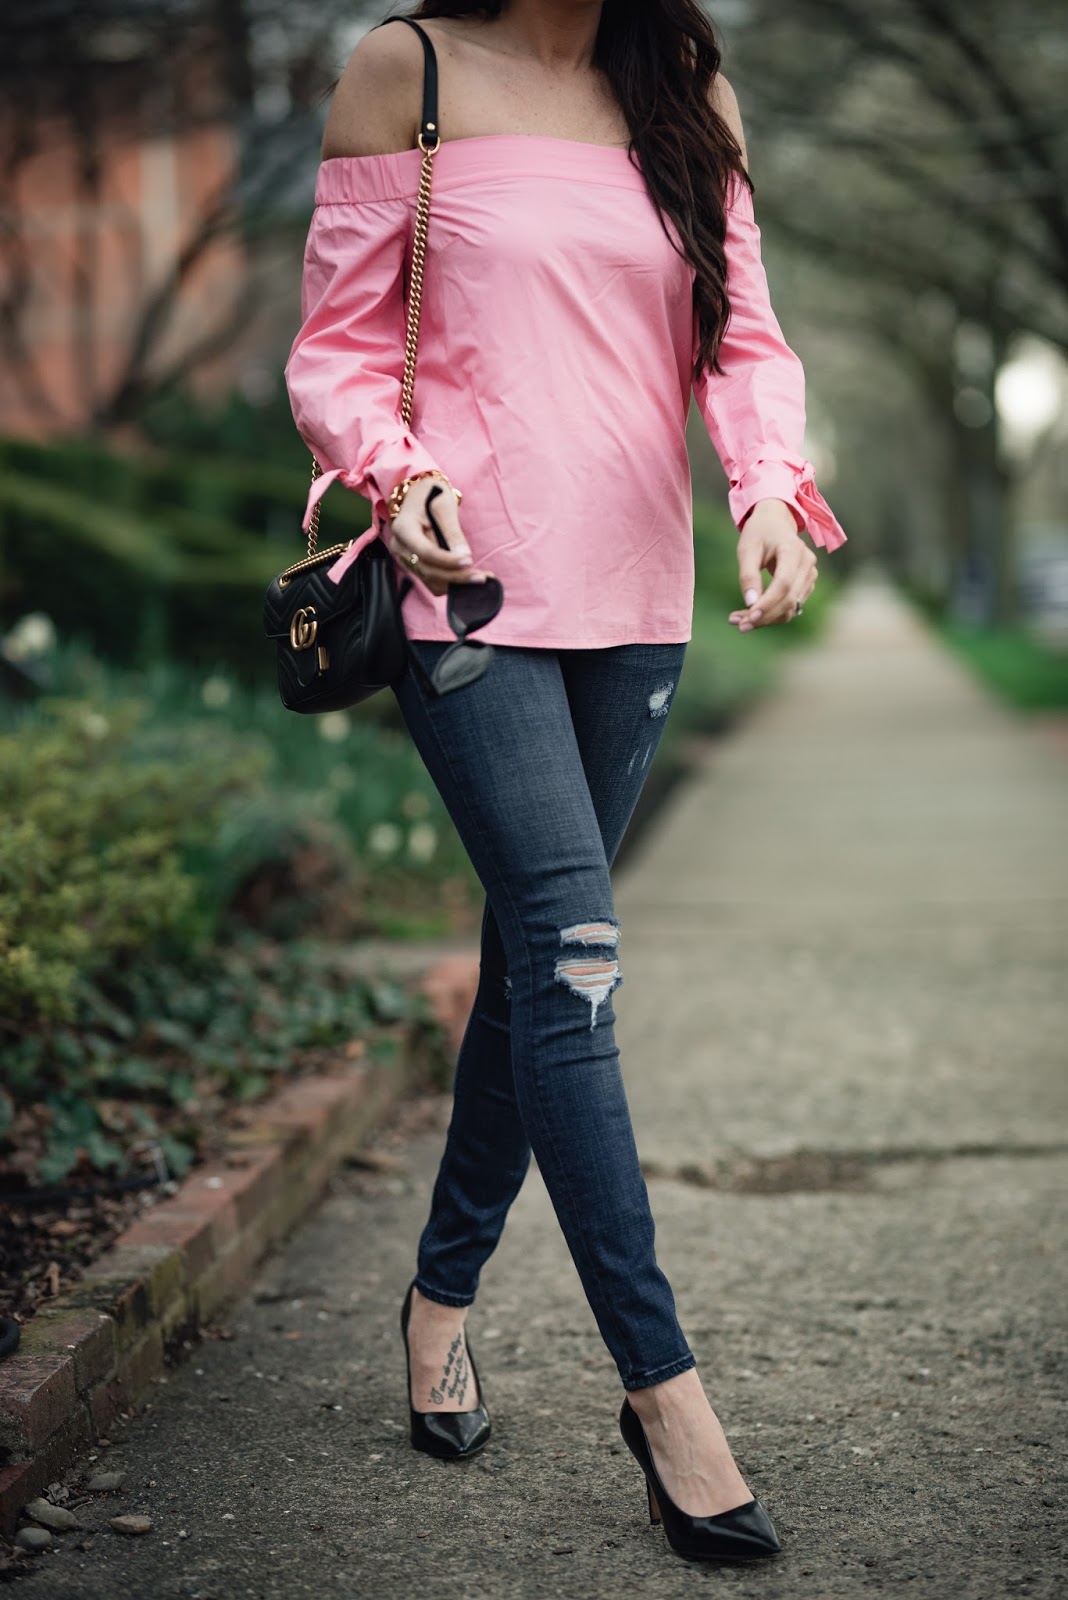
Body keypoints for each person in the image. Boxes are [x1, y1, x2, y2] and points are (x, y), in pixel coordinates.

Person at [284, 0, 846, 1564]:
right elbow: (336, 349)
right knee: (578, 962)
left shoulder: (681, 79)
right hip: (461, 592)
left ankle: (439, 1294)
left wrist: (770, 488)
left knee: (535, 972)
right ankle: (667, 1399)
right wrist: (398, 476)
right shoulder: (411, 68)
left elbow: (741, 336)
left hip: (636, 597)